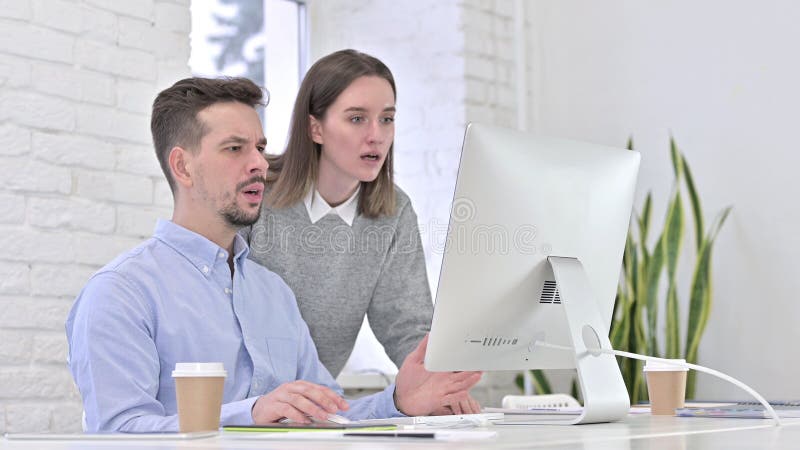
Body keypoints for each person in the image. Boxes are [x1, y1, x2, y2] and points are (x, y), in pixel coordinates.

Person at [65, 77, 481, 433]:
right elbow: (118, 433)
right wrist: (252, 413)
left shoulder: (274, 294)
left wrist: (400, 401)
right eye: (234, 149)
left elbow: (330, 415)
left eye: (259, 148)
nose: (259, 164)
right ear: (183, 167)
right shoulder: (120, 294)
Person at [245, 50, 475, 412]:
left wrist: (437, 386)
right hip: (241, 404)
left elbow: (406, 323)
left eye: (387, 119)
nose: (376, 136)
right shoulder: (255, 194)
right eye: (357, 119)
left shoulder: (393, 212)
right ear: (315, 128)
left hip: (313, 408)